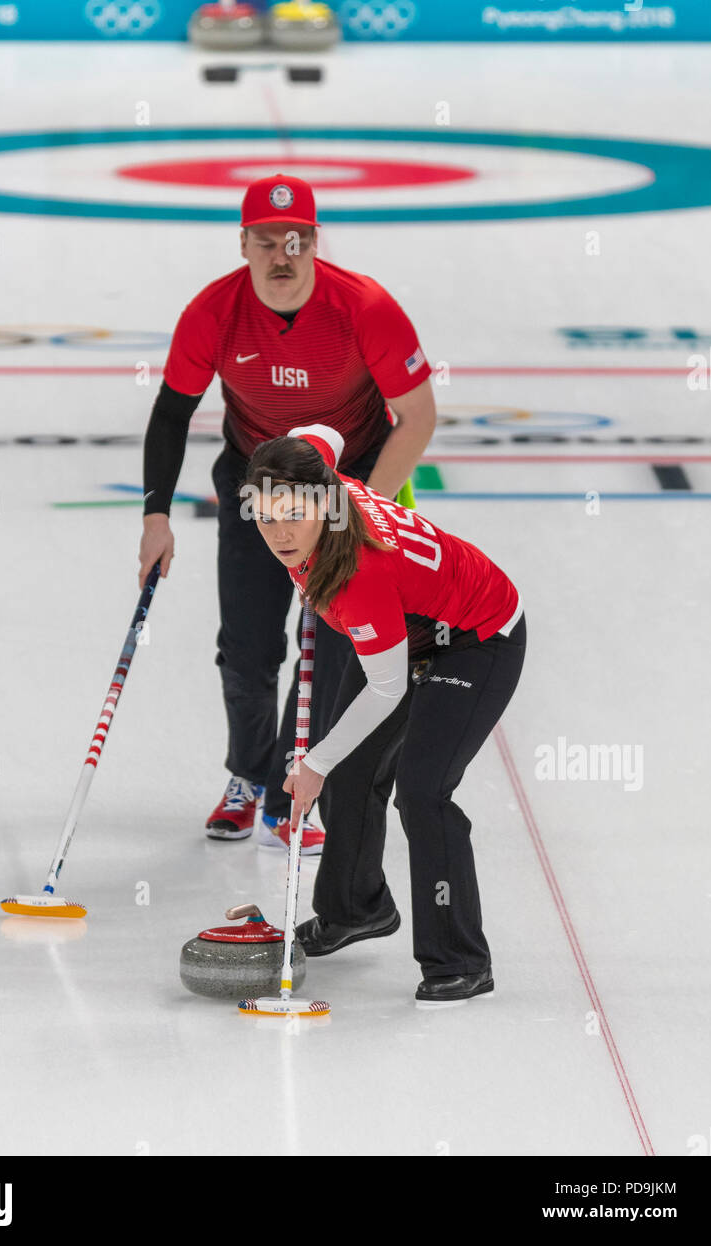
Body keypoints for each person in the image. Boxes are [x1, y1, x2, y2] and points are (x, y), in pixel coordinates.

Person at [138, 174, 435, 853]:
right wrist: (157, 514)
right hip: (254, 484)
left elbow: (417, 416)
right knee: (246, 649)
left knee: (332, 647)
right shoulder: (212, 313)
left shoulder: (364, 308)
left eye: (295, 240)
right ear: (244, 244)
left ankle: (288, 792)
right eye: (266, 241)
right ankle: (246, 776)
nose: (282, 255)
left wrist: (364, 506)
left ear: (313, 243)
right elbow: (172, 412)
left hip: (343, 486)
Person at [243, 423, 526, 1003]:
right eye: (266, 517)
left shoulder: (358, 574)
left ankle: (460, 958)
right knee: (350, 765)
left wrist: (314, 761)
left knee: (423, 791)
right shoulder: (310, 469)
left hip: (477, 637)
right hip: (409, 626)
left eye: (293, 515)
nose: (280, 533)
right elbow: (319, 432)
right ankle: (355, 909)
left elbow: (387, 687)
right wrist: (327, 760)